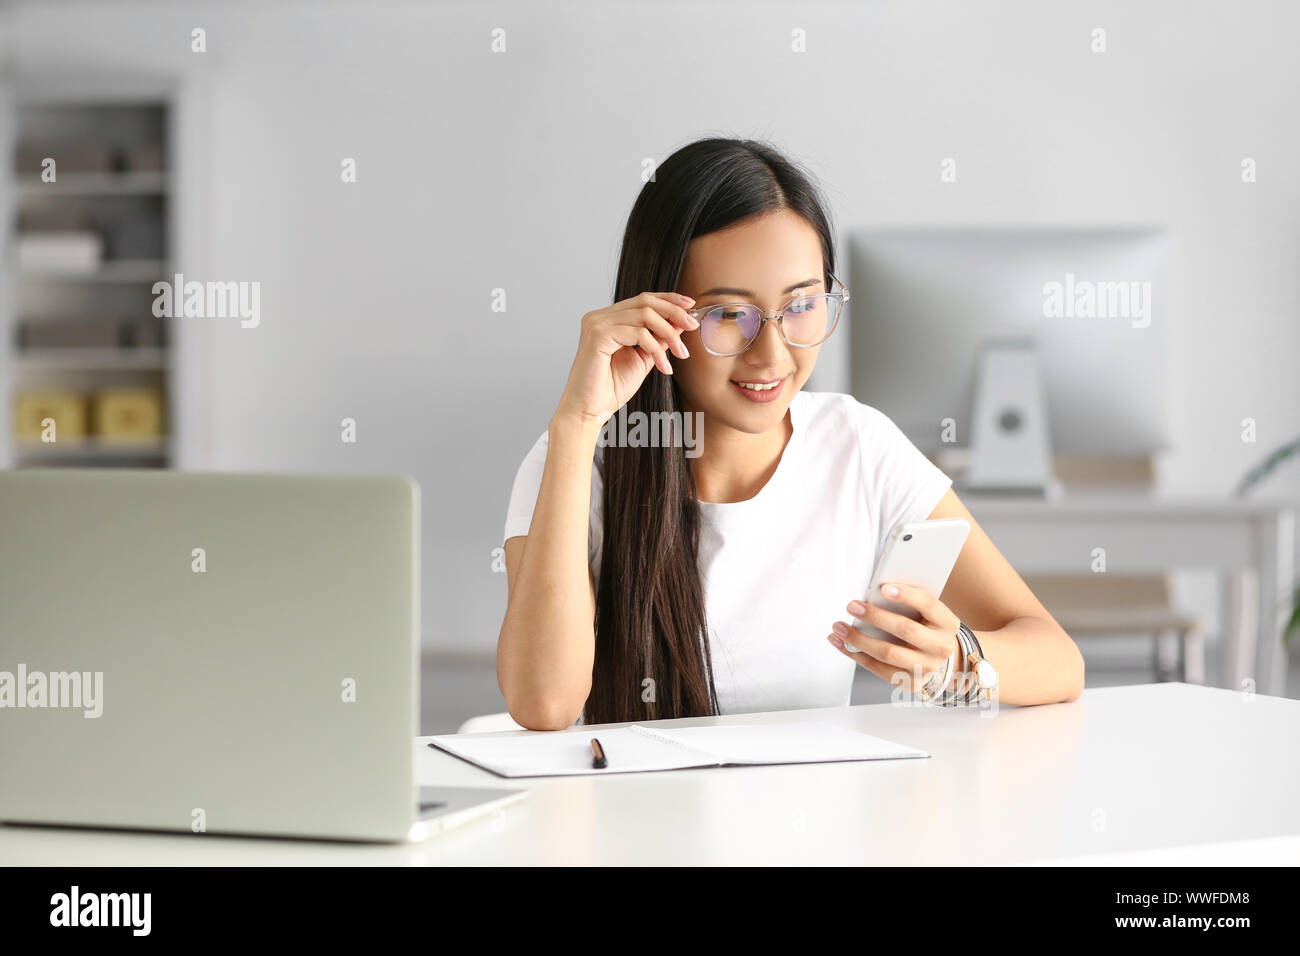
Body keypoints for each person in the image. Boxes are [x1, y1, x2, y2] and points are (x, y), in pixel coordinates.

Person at [498, 136, 1084, 730]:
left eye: (802, 304)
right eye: (729, 315)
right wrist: (577, 424)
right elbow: (544, 705)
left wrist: (959, 660)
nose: (772, 354)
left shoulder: (856, 446)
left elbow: (1057, 659)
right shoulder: (579, 459)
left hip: (810, 818)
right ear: (656, 312)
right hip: (634, 816)